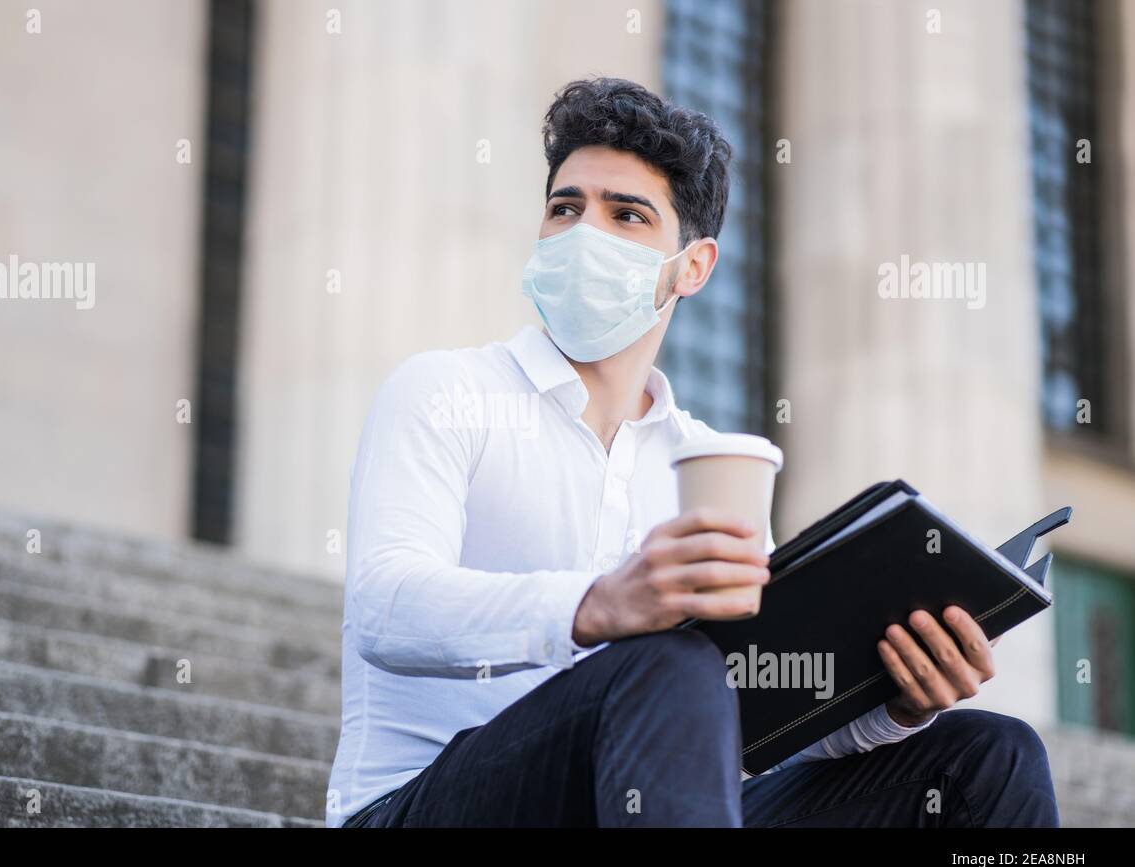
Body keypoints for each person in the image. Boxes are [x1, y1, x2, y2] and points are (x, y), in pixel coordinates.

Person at [325, 77, 1059, 828]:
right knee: (669, 662)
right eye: (565, 208)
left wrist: (895, 705)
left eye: (627, 215)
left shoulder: (710, 462)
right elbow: (386, 606)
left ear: (694, 266)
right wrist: (597, 603)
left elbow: (766, 705)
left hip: (656, 799)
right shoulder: (445, 390)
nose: (585, 234)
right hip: (420, 805)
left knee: (990, 758)